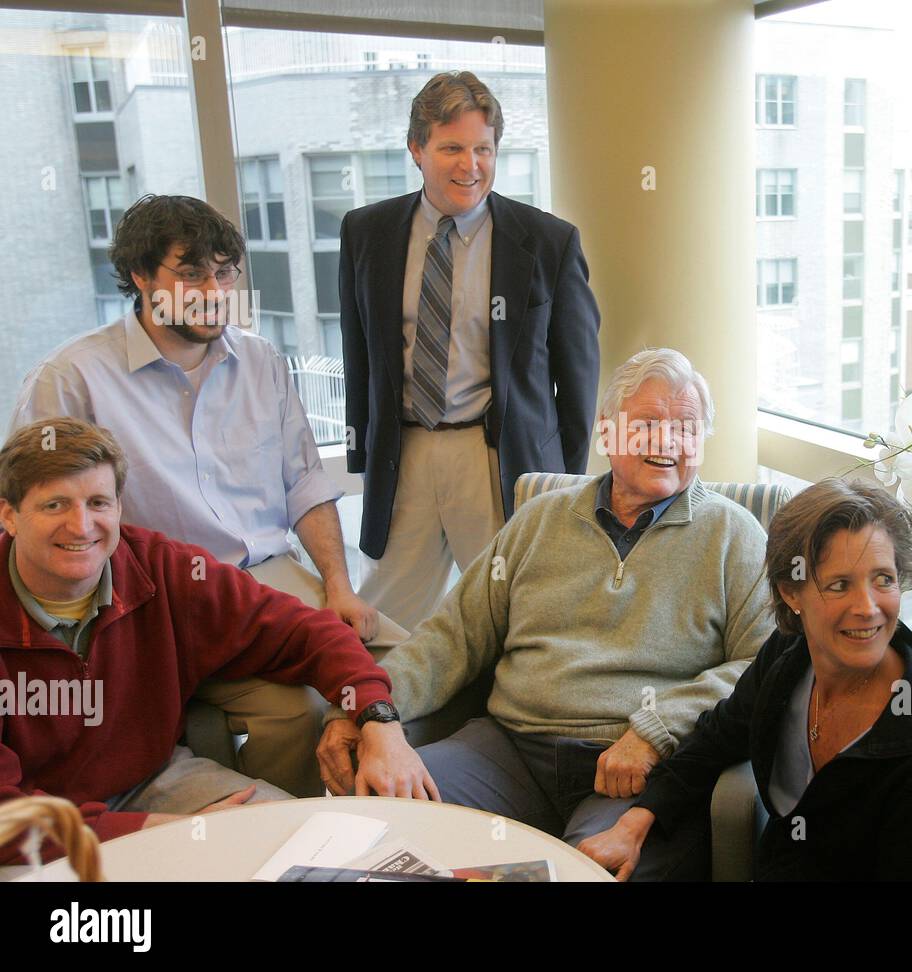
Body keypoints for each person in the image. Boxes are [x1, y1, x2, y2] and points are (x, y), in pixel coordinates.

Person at [317, 349, 769, 881]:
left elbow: (760, 667)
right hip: (508, 751)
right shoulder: (539, 521)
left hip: (632, 772)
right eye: (648, 424)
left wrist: (656, 727)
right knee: (375, 826)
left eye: (687, 428)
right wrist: (368, 710)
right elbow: (449, 638)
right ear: (607, 431)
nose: (668, 442)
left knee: (588, 874)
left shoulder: (734, 538)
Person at [10, 195, 406, 798]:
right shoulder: (71, 378)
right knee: (295, 712)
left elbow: (305, 482)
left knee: (410, 660)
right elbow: (35, 501)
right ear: (142, 278)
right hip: (169, 597)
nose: (214, 289)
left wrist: (337, 585)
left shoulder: (260, 360)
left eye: (224, 272)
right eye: (190, 272)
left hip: (274, 574)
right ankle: (285, 835)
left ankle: (374, 817)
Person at [0, 419, 428, 863]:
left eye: (98, 502)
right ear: (8, 514)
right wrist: (154, 834)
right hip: (32, 825)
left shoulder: (162, 569)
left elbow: (306, 631)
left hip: (155, 784)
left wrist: (379, 720)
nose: (81, 525)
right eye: (54, 505)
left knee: (300, 839)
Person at [577, 478, 912, 881]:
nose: (868, 608)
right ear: (790, 593)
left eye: (883, 579)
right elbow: (715, 738)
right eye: (839, 585)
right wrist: (633, 823)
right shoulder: (789, 658)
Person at [339, 70, 600, 632]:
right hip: (403, 452)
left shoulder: (549, 241)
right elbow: (357, 352)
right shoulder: (366, 232)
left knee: (517, 617)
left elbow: (577, 375)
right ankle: (380, 714)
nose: (471, 165)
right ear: (416, 149)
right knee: (383, 619)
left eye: (484, 148)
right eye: (452, 147)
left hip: (497, 455)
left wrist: (566, 483)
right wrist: (362, 456)